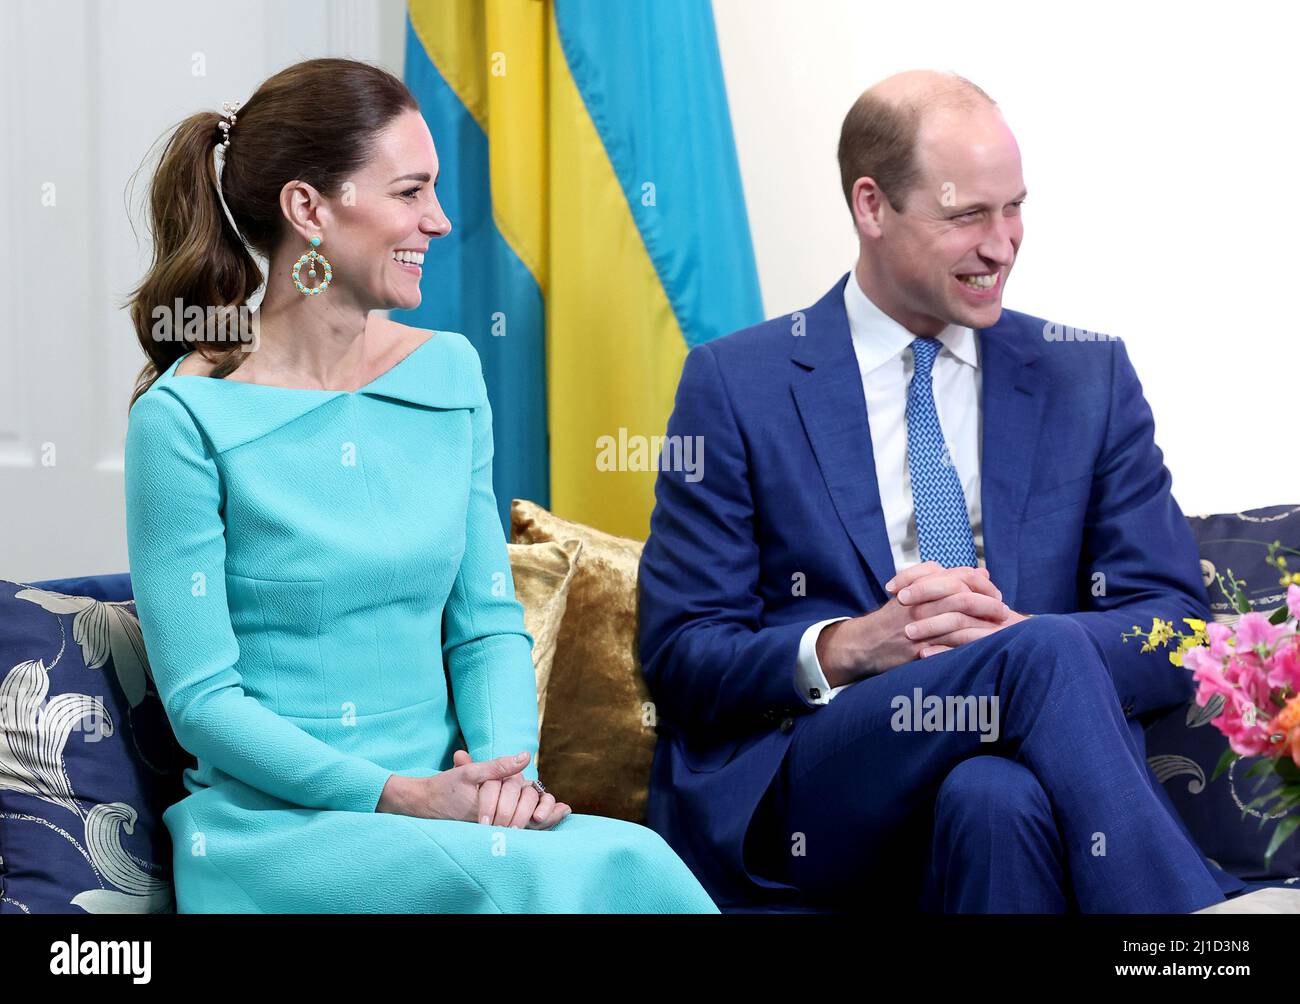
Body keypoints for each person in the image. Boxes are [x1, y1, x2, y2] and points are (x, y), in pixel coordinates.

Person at [637, 69, 1244, 913]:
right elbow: (680, 657)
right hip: (819, 776)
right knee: (1040, 659)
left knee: (995, 799)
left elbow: (1175, 626)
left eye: (1015, 208)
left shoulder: (1086, 376)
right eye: (967, 216)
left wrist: (1019, 647)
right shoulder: (737, 385)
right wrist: (852, 645)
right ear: (872, 207)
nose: (1003, 244)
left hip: (1015, 773)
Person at [123, 57, 717, 914]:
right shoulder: (183, 420)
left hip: (456, 813)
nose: (438, 221)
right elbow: (205, 705)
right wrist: (402, 794)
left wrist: (504, 781)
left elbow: (484, 624)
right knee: (540, 881)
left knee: (635, 860)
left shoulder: (447, 374)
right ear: (309, 209)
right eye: (410, 192)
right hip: (282, 829)